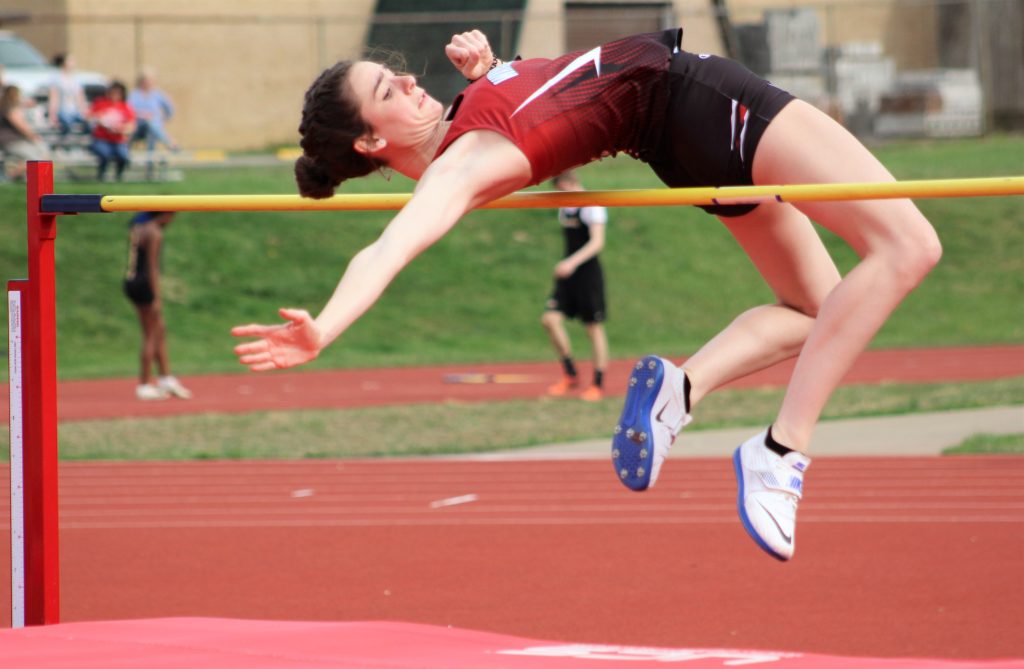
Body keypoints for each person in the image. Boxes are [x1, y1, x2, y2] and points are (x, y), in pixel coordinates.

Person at [231, 29, 941, 561]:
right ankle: (781, 451)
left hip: (678, 138)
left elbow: (537, 103)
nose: (409, 83)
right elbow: (387, 247)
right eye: (388, 93)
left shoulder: (460, 123)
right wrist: (323, 326)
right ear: (366, 142)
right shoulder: (459, 167)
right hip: (697, 99)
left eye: (397, 74)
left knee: (815, 310)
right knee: (909, 246)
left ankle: (681, 390)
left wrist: (491, 69)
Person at [541, 170, 609, 402]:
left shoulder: (591, 205)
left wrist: (572, 262)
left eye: (561, 189)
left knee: (593, 327)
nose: (560, 194)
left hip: (587, 274)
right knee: (550, 319)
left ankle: (597, 384)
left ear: (569, 183)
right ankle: (570, 374)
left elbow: (597, 242)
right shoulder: (565, 207)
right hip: (567, 275)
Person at [123, 211, 192, 401]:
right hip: (144, 284)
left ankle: (165, 378)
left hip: (131, 280)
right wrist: (156, 297)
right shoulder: (154, 232)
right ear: (165, 214)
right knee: (151, 333)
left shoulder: (138, 227)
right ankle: (144, 384)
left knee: (159, 329)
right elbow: (152, 267)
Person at [0, 85, 52, 180]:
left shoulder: (8, 107)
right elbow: (22, 127)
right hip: (11, 142)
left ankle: (19, 175)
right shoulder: (9, 109)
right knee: (36, 159)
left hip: (17, 141)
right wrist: (34, 137)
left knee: (41, 153)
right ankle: (8, 177)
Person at [89, 80, 135, 181]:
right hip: (101, 138)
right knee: (104, 153)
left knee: (123, 155)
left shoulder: (126, 107)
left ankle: (119, 176)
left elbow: (131, 126)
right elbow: (90, 117)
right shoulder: (100, 103)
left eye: (118, 93)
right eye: (113, 92)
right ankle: (101, 175)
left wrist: (120, 129)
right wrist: (101, 121)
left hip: (118, 140)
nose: (115, 95)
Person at [128, 68, 179, 157]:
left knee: (151, 128)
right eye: (146, 80)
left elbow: (170, 108)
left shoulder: (157, 94)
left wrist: (163, 118)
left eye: (151, 80)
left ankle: (150, 165)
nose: (149, 82)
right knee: (149, 123)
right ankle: (169, 143)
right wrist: (141, 115)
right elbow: (128, 110)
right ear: (141, 81)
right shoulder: (134, 95)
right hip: (137, 128)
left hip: (153, 127)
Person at [48, 53, 90, 142]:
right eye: (70, 60)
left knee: (89, 124)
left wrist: (85, 111)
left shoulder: (76, 79)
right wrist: (52, 115)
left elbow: (80, 97)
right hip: (63, 110)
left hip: (74, 110)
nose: (73, 63)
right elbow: (54, 98)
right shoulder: (57, 78)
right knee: (66, 124)